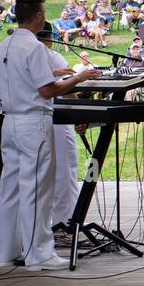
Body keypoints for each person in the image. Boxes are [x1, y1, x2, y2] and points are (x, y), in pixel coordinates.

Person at [0, 0, 100, 270]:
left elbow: (24, 77)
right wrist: (77, 78)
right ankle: (38, 254)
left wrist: (55, 71)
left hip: (10, 122)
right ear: (39, 16)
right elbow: (46, 90)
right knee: (37, 188)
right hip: (33, 121)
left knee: (10, 188)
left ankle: (6, 252)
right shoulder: (35, 47)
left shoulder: (4, 45)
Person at [35, 24, 83, 233]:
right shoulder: (53, 56)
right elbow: (68, 92)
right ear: (51, 37)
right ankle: (65, 223)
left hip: (29, 121)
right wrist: (81, 116)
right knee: (65, 171)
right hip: (57, 118)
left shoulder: (17, 52)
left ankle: (44, 225)